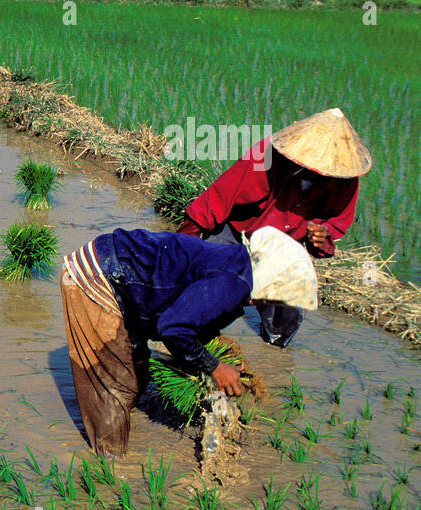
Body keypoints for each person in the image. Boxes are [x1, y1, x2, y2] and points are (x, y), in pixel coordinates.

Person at [60, 225, 318, 457]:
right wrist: (216, 368)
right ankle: (111, 467)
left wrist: (218, 366)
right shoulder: (233, 283)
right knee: (115, 388)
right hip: (98, 275)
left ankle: (127, 430)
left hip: (126, 280)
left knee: (137, 373)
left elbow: (194, 325)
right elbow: (173, 328)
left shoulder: (239, 264)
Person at [177, 107, 370, 346]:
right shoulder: (264, 156)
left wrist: (322, 236)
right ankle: (189, 333)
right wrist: (180, 245)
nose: (319, 171)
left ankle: (274, 349)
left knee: (287, 309)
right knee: (206, 287)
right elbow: (219, 198)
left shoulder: (345, 182)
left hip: (285, 245)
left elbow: (334, 224)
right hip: (239, 232)